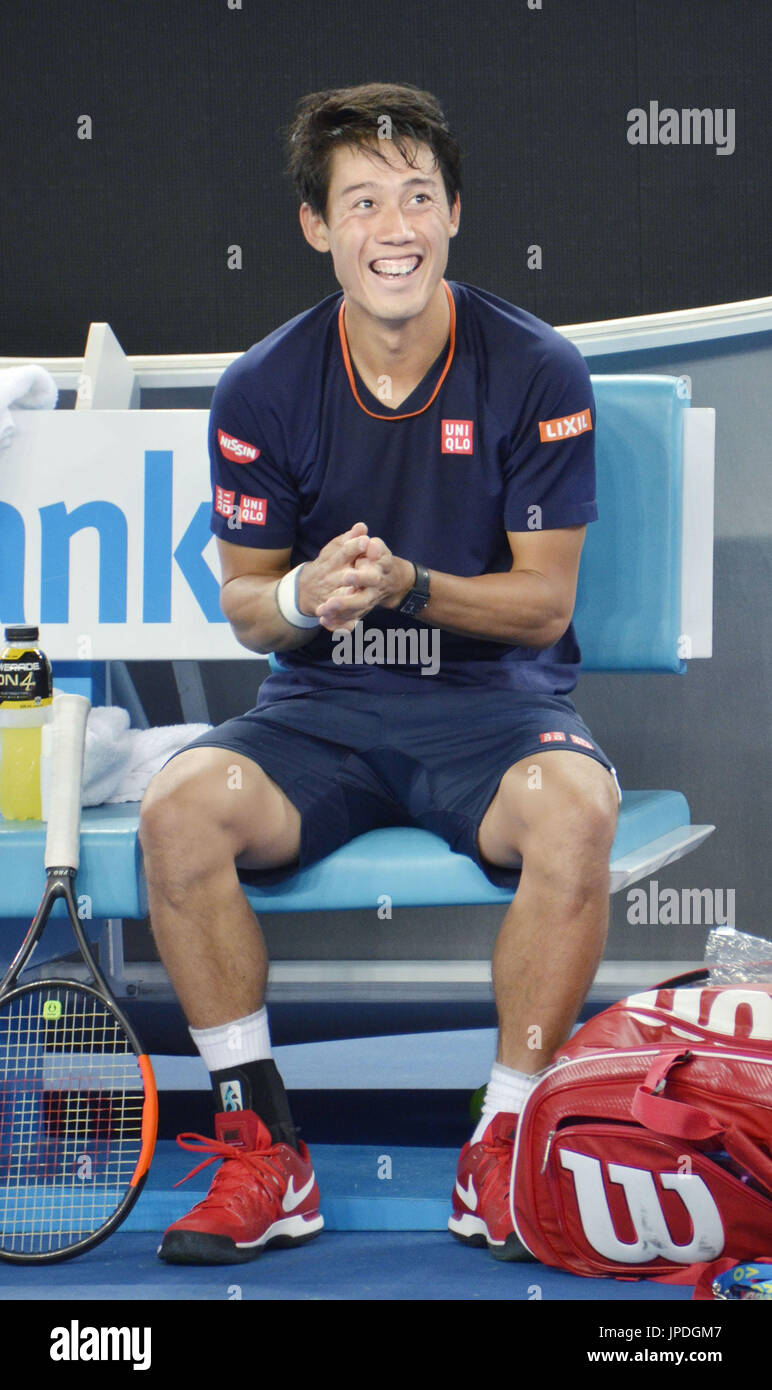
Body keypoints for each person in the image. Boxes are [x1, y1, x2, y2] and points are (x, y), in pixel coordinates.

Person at [140, 81, 621, 1266]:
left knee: (578, 810)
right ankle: (266, 1150)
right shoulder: (262, 385)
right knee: (175, 808)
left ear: (455, 213)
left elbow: (544, 604)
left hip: (492, 712)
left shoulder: (538, 366)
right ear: (318, 227)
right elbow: (250, 607)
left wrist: (406, 585)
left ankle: (502, 1142)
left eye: (417, 196)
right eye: (362, 200)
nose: (393, 226)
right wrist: (304, 595)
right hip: (318, 713)